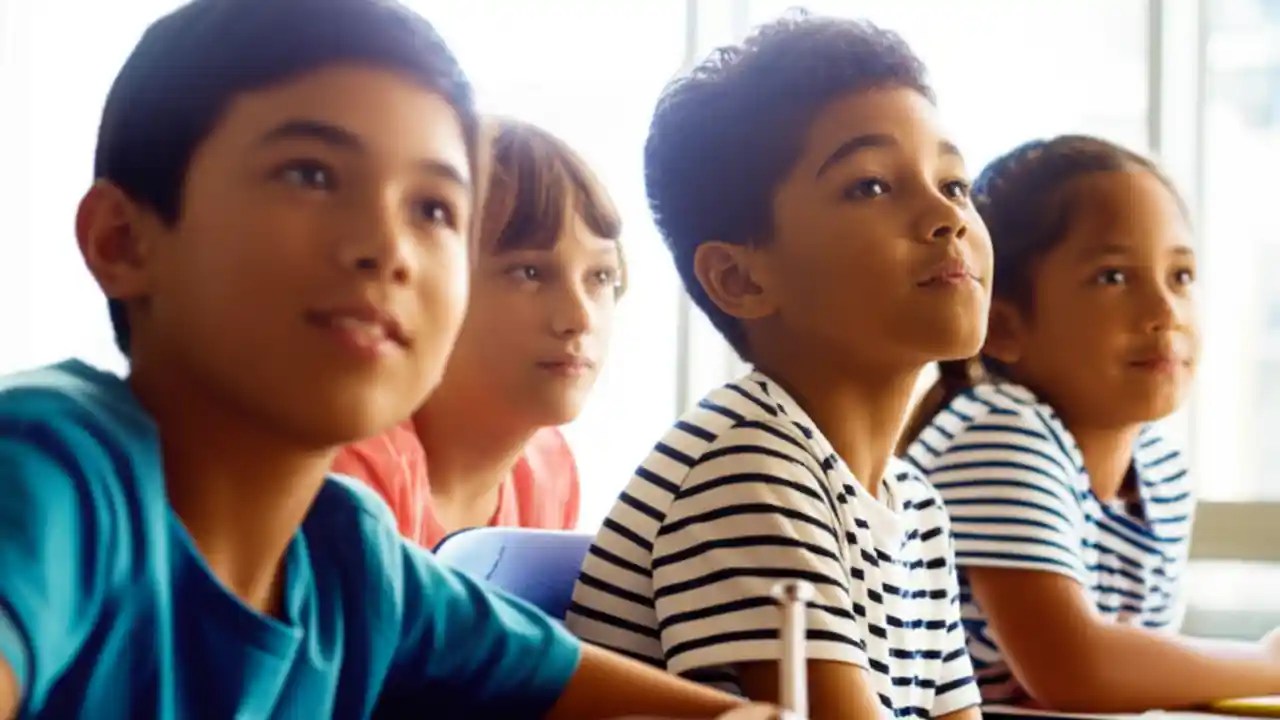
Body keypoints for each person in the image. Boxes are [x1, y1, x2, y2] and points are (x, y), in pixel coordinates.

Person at [0, 1, 761, 717]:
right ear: (123, 242)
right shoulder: (50, 472)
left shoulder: (356, 563)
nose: (390, 248)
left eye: (433, 209)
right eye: (311, 174)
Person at [566, 12, 991, 720]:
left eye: (954, 184)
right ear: (740, 278)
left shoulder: (915, 507)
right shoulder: (747, 469)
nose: (947, 216)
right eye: (871, 187)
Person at [900, 134, 1280, 711]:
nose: (1165, 312)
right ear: (1002, 327)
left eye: (1181, 276)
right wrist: (1267, 664)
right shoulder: (997, 435)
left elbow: (1134, 682)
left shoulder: (1161, 471)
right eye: (1113, 278)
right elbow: (1073, 669)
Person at [334, 117, 623, 548]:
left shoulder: (550, 471)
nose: (579, 318)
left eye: (600, 276)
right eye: (529, 273)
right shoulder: (354, 474)